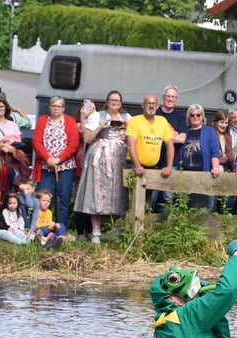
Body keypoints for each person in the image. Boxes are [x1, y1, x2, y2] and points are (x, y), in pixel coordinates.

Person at [73, 91, 131, 243]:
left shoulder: (127, 118)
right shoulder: (97, 116)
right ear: (107, 101)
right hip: (99, 157)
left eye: (117, 100)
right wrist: (100, 127)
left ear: (121, 103)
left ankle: (117, 231)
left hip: (119, 158)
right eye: (112, 100)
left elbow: (134, 138)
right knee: (97, 192)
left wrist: (127, 128)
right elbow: (86, 138)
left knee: (118, 194)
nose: (114, 103)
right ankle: (96, 232)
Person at [33, 95, 80, 234]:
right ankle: (42, 228)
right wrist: (48, 159)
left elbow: (73, 144)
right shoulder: (42, 121)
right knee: (44, 198)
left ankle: (61, 229)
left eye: (59, 106)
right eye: (53, 105)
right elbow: (37, 142)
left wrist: (59, 159)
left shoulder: (70, 122)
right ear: (49, 107)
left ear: (63, 108)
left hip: (65, 167)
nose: (55, 108)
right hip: (45, 166)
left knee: (63, 198)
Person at [178, 102, 222, 210]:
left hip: (203, 175)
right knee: (184, 207)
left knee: (202, 208)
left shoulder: (209, 131)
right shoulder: (185, 131)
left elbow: (215, 153)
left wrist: (215, 167)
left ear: (202, 117)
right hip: (185, 176)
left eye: (198, 115)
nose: (195, 117)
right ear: (189, 117)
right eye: (192, 115)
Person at [126, 94, 174, 187]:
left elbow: (170, 145)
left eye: (154, 103)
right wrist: (137, 165)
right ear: (142, 105)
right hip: (134, 166)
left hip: (153, 167)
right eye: (148, 103)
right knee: (132, 199)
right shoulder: (134, 121)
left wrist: (169, 166)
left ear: (157, 106)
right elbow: (131, 144)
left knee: (149, 200)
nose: (151, 106)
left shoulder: (162, 121)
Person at [153, 85, 187, 211]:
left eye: (173, 97)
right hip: (153, 161)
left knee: (167, 197)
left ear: (176, 99)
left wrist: (161, 135)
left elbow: (182, 139)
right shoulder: (155, 114)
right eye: (168, 96)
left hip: (170, 163)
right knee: (151, 197)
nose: (170, 99)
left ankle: (164, 228)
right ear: (163, 97)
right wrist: (172, 133)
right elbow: (149, 135)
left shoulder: (181, 117)